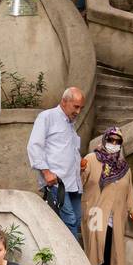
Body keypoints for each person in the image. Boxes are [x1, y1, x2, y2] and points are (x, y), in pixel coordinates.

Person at [80, 126, 133, 265]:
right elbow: (81, 183)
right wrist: (81, 170)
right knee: (97, 246)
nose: (113, 144)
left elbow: (130, 191)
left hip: (116, 216)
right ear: (105, 140)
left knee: (112, 251)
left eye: (117, 141)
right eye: (111, 140)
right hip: (96, 212)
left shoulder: (124, 167)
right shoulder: (91, 159)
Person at [26, 86, 85, 239]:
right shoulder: (47, 117)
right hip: (57, 182)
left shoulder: (71, 124)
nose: (78, 111)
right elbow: (34, 146)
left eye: (81, 108)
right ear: (64, 102)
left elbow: (67, 151)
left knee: (77, 220)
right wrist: (46, 172)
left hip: (74, 182)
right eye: (76, 107)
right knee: (70, 220)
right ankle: (73, 260)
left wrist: (80, 164)